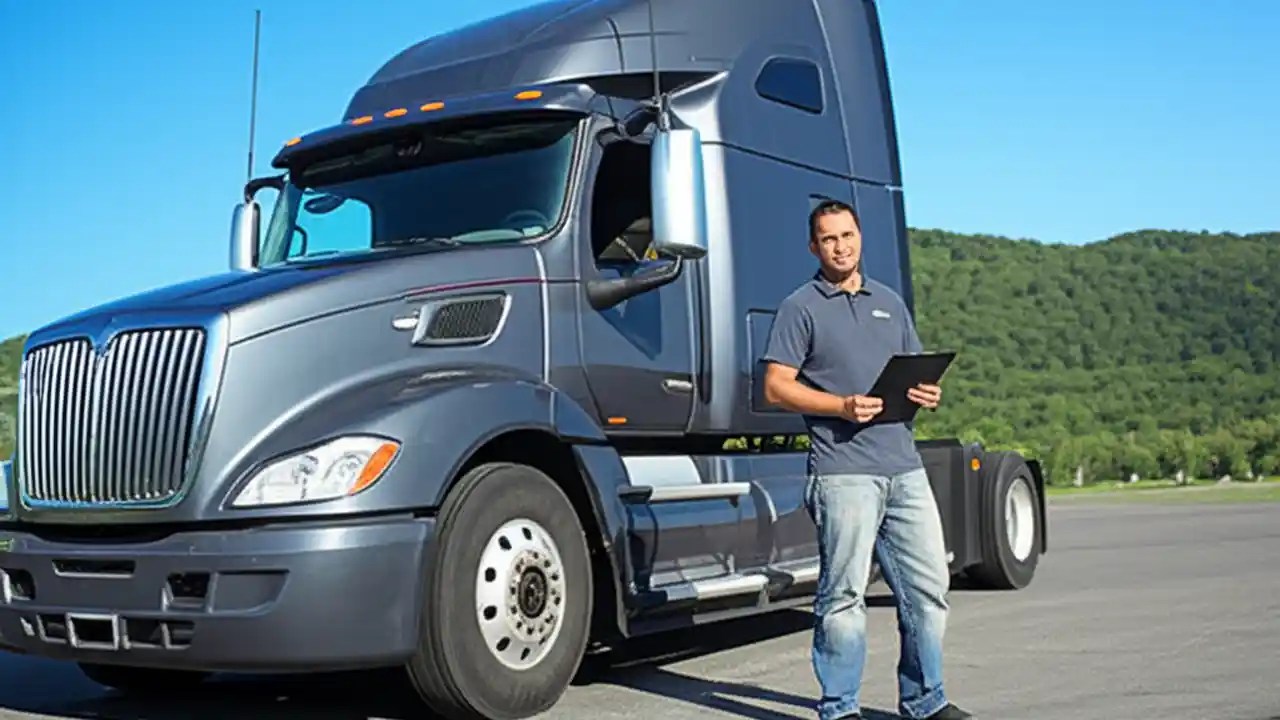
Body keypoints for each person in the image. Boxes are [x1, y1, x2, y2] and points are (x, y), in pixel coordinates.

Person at [761, 199, 971, 720]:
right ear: (814, 247)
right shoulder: (800, 306)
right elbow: (775, 387)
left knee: (928, 589)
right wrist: (840, 406)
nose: (841, 246)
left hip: (903, 465)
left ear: (860, 237)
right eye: (829, 238)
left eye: (848, 235)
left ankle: (926, 701)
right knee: (843, 596)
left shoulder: (890, 302)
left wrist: (926, 394)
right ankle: (839, 708)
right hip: (842, 470)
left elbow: (912, 371)